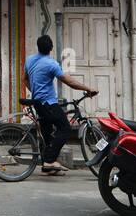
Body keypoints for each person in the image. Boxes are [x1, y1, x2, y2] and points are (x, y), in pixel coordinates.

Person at [24, 35, 98, 176]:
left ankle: (48, 167)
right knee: (65, 129)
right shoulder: (51, 64)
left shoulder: (29, 60)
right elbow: (68, 81)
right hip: (48, 103)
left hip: (37, 102)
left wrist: (35, 91)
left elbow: (25, 79)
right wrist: (87, 88)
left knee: (47, 135)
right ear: (51, 48)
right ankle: (50, 160)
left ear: (38, 47)